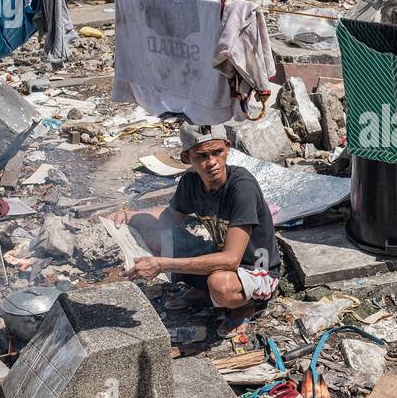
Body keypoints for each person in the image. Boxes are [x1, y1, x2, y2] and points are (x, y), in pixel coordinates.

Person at [111, 123, 281, 316]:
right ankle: (207, 293)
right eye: (201, 156)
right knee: (151, 233)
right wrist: (128, 216)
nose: (212, 162)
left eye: (217, 152)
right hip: (219, 258)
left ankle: (246, 305)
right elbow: (168, 218)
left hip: (257, 271)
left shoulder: (242, 187)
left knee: (220, 285)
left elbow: (231, 260)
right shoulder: (191, 181)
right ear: (186, 157)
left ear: (227, 147)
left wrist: (161, 264)